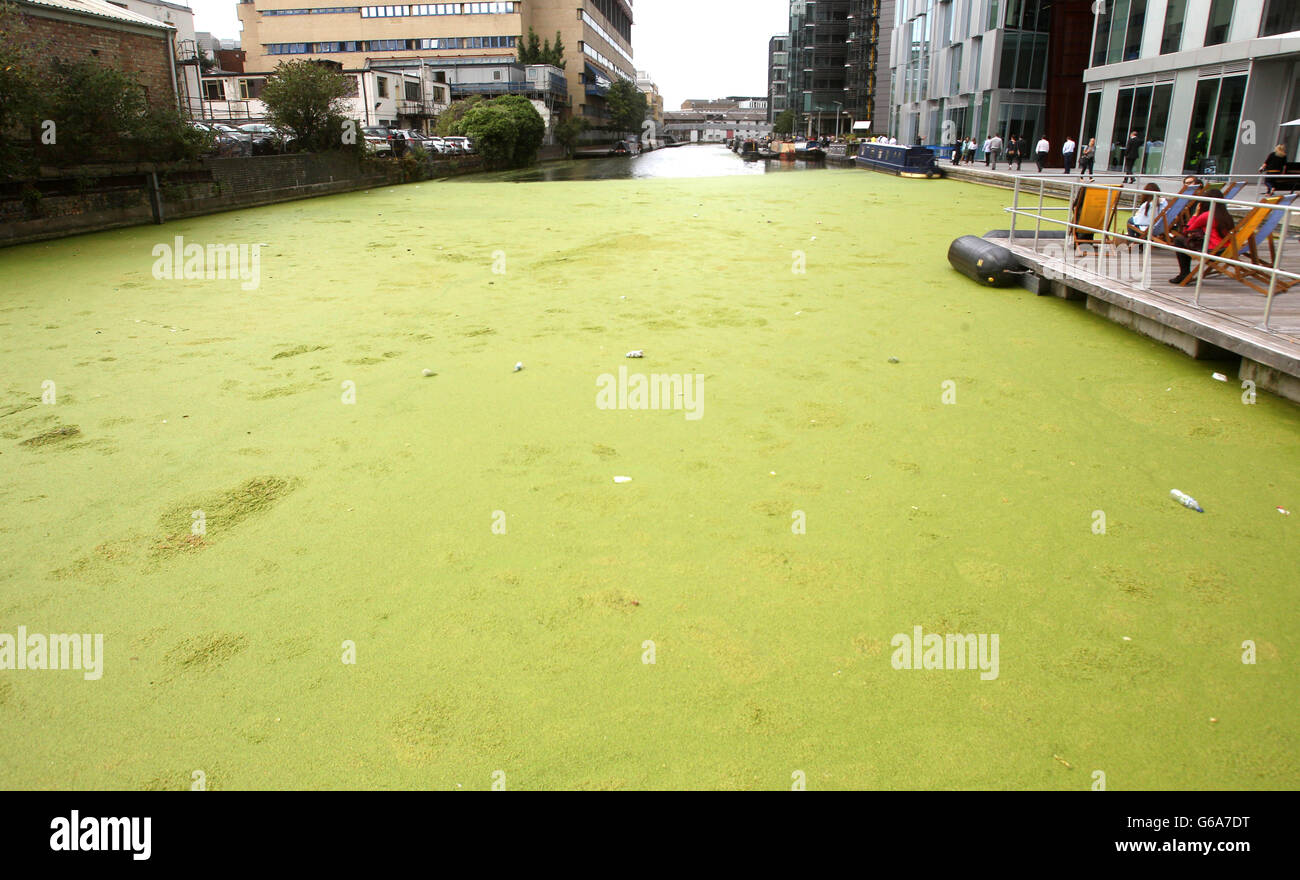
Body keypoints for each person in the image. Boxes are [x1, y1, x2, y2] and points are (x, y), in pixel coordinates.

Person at [1169, 187, 1234, 284]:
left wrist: (1195, 214)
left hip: (1213, 251)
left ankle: (1184, 274)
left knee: (1179, 240)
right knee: (1185, 240)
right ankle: (1184, 273)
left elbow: (1187, 230)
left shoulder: (1207, 215)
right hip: (1227, 249)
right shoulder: (1226, 215)